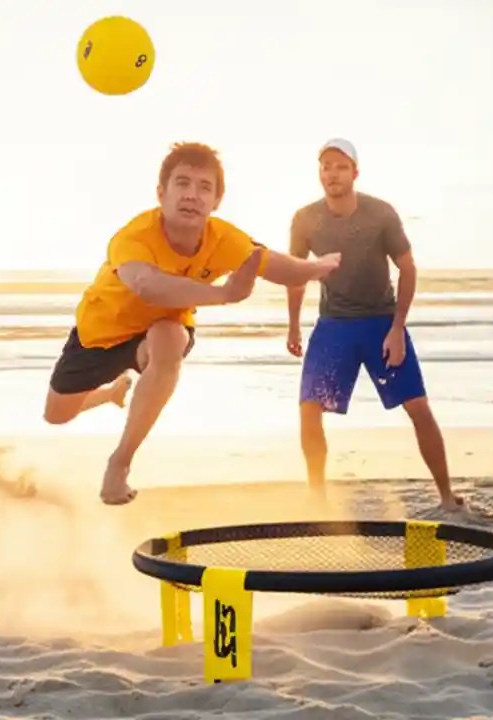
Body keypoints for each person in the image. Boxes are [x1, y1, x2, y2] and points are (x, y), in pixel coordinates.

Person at [42, 141, 341, 505]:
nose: (192, 195)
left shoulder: (223, 238)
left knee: (170, 339)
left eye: (204, 187)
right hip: (98, 334)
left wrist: (319, 267)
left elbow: (278, 266)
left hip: (160, 332)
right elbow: (146, 285)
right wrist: (224, 295)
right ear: (161, 193)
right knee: (56, 415)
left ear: (216, 201)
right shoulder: (133, 236)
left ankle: (120, 463)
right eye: (182, 183)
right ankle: (111, 394)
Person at [285, 138, 464, 511]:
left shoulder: (380, 213)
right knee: (308, 408)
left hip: (381, 323)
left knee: (417, 407)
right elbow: (295, 275)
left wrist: (397, 328)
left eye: (340, 166)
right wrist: (293, 327)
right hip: (333, 326)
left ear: (355, 172)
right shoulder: (305, 219)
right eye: (326, 167)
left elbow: (408, 267)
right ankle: (316, 497)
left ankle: (446, 496)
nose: (332, 174)